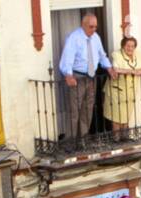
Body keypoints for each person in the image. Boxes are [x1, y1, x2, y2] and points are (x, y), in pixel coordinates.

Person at [58, 14, 116, 143]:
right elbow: (67, 57)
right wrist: (68, 74)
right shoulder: (74, 37)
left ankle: (82, 140)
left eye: (95, 27)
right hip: (77, 78)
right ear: (83, 25)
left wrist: (109, 68)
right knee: (74, 111)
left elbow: (102, 55)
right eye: (91, 27)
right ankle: (70, 141)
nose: (94, 29)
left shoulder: (96, 37)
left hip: (91, 77)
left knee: (87, 110)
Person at [101, 35, 141, 137]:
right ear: (123, 46)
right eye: (128, 46)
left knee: (126, 116)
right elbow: (116, 69)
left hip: (130, 91)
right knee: (117, 117)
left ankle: (125, 138)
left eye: (132, 46)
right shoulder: (116, 54)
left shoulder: (138, 54)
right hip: (116, 91)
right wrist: (133, 71)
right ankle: (117, 139)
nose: (130, 48)